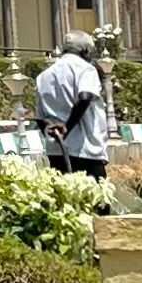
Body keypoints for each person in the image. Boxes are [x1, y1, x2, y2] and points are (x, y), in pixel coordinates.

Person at [33, 30, 109, 178]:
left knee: (64, 198)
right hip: (84, 150)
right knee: (95, 198)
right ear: (85, 51)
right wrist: (66, 128)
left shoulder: (44, 76)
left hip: (56, 152)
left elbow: (40, 118)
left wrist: (53, 136)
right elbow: (85, 97)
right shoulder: (86, 69)